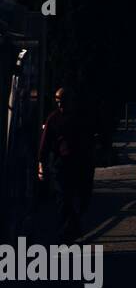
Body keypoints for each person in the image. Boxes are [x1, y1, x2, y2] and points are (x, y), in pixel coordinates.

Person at [37, 87, 94, 239]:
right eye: (58, 102)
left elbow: (88, 140)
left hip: (78, 163)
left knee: (79, 198)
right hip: (61, 164)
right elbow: (45, 144)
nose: (61, 105)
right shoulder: (53, 119)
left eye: (63, 102)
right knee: (63, 198)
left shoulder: (79, 118)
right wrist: (41, 165)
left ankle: (71, 227)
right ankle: (66, 232)